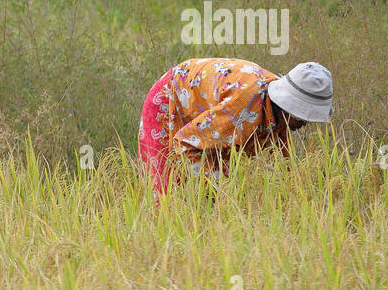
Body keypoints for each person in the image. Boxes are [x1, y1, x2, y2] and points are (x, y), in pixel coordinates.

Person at [138, 58, 333, 197]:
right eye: (303, 115)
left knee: (220, 188)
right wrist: (215, 192)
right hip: (170, 99)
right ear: (288, 106)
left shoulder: (277, 114)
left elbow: (282, 168)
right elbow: (186, 142)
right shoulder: (244, 106)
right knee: (166, 194)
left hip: (207, 115)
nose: (306, 123)